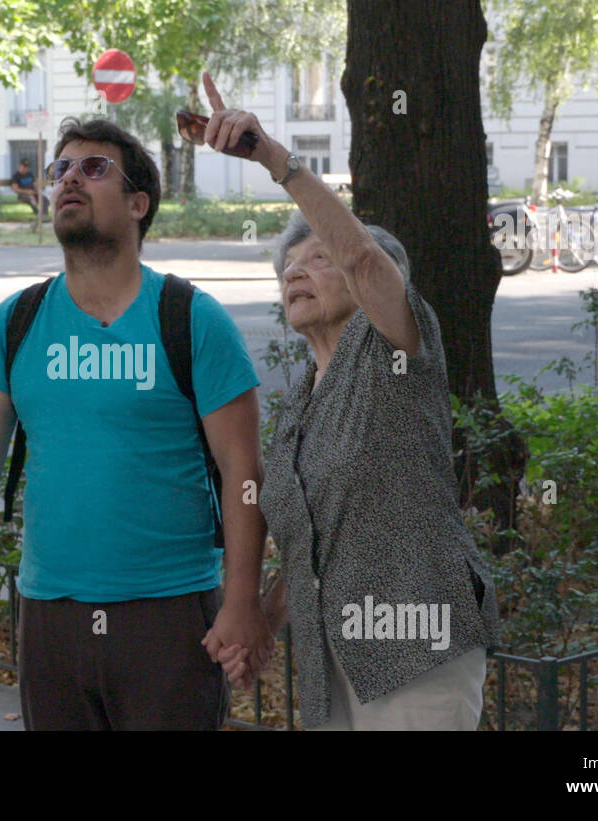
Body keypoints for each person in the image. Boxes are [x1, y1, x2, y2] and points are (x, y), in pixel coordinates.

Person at [0, 116, 273, 730]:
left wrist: (242, 598)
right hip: (51, 613)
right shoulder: (17, 320)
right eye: (60, 169)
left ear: (137, 203)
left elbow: (243, 472)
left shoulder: (191, 317)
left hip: (171, 615)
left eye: (94, 168)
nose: (70, 178)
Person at [197, 71, 500, 730]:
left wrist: (274, 159)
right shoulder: (299, 410)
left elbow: (361, 257)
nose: (296, 270)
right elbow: (314, 551)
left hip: (419, 650)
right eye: (288, 266)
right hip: (332, 667)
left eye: (316, 258)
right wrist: (261, 625)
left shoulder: (396, 349)